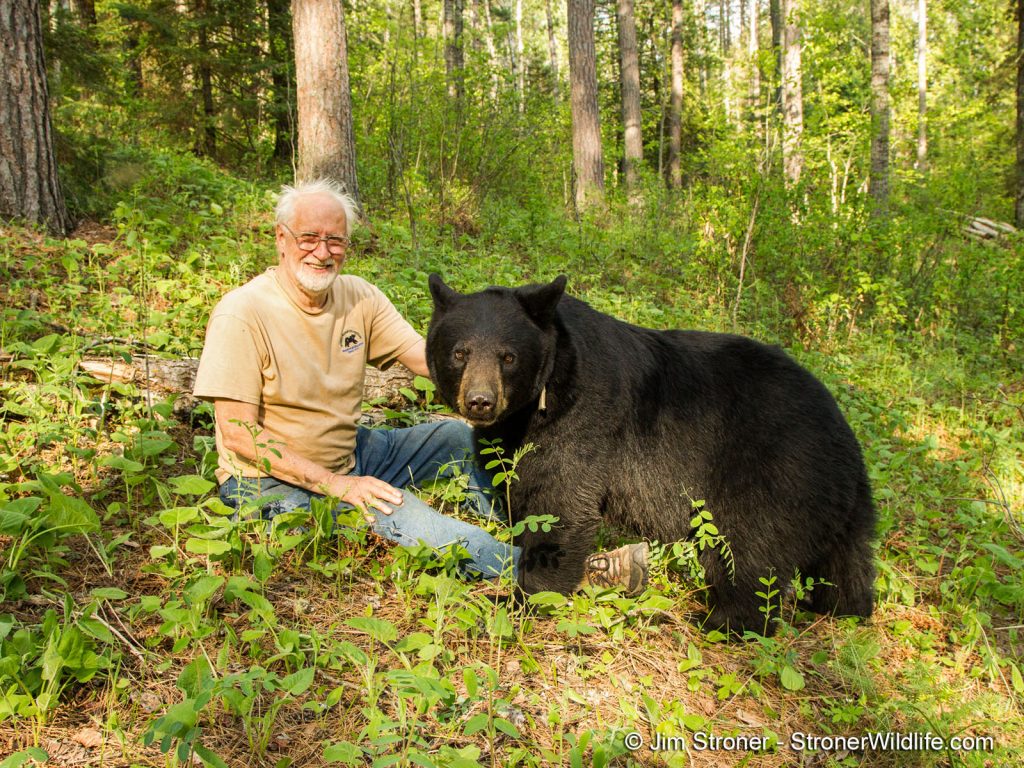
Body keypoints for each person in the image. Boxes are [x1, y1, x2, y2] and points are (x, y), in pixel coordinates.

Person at [193, 178, 647, 591]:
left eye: (335, 239)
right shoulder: (244, 312)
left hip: (354, 451)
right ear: (281, 239)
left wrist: (512, 373)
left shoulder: (358, 297)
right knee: (408, 516)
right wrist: (337, 484)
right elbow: (238, 434)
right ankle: (567, 574)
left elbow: (431, 361)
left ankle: (536, 526)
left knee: (456, 438)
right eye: (309, 238)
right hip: (270, 482)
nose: (322, 251)